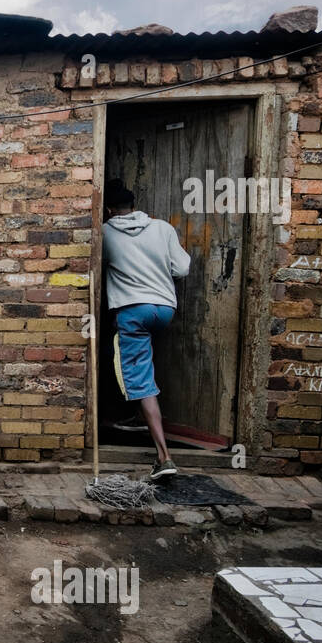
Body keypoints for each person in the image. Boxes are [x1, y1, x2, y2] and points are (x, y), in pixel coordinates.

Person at [101, 180, 190, 479]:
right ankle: (132, 416)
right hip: (164, 309)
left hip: (132, 311)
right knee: (137, 368)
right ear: (134, 206)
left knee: (139, 379)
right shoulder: (162, 228)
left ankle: (164, 457)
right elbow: (182, 269)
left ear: (109, 210)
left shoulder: (104, 232)